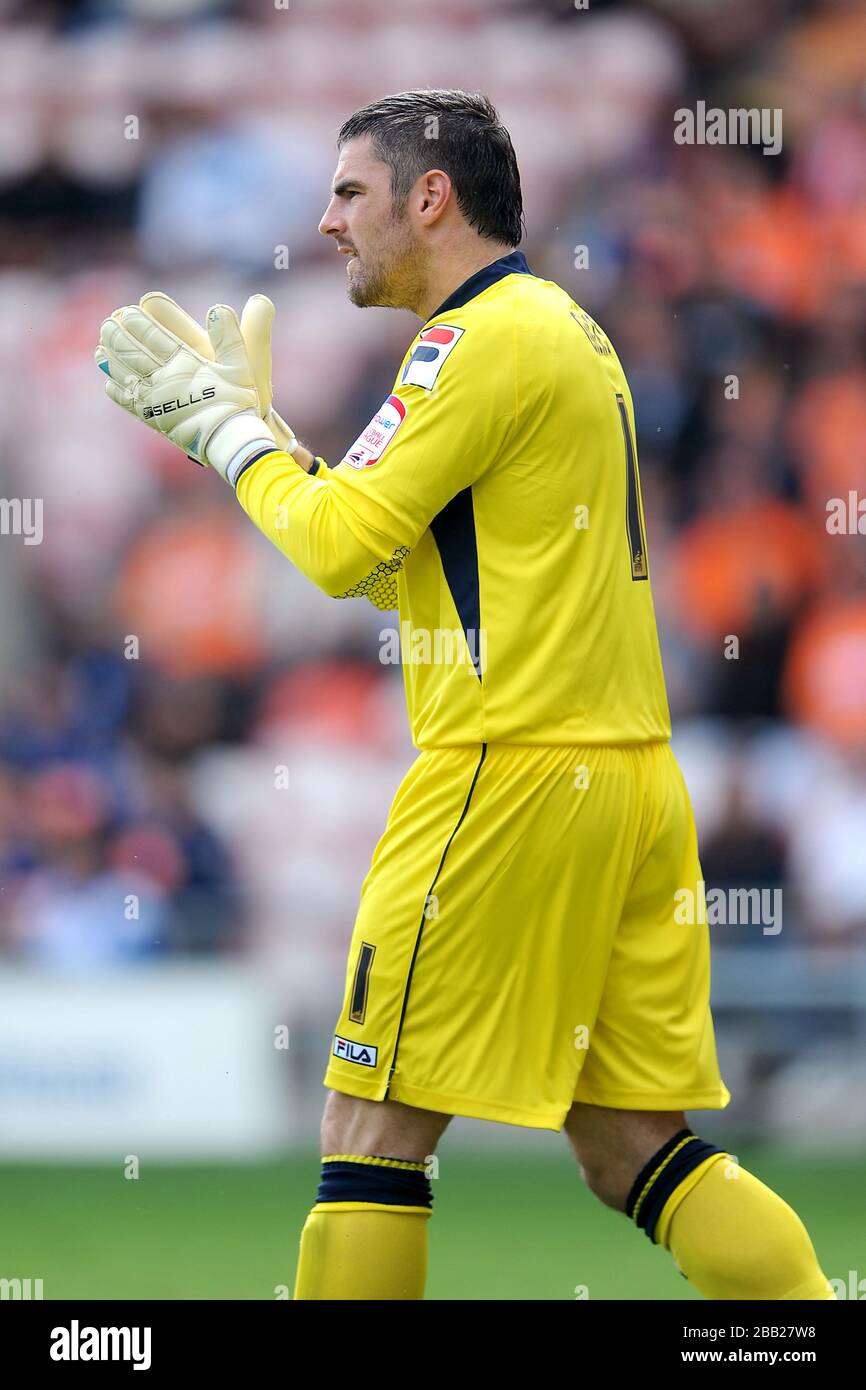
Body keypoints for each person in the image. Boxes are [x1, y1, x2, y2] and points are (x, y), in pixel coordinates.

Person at [96, 88, 834, 1302]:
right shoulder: (561, 330)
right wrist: (259, 431)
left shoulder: (473, 340)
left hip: (509, 770)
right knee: (627, 1145)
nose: (326, 221)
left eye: (347, 192)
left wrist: (227, 437)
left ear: (428, 196)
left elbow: (335, 554)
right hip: (628, 782)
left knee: (367, 1128)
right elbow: (403, 569)